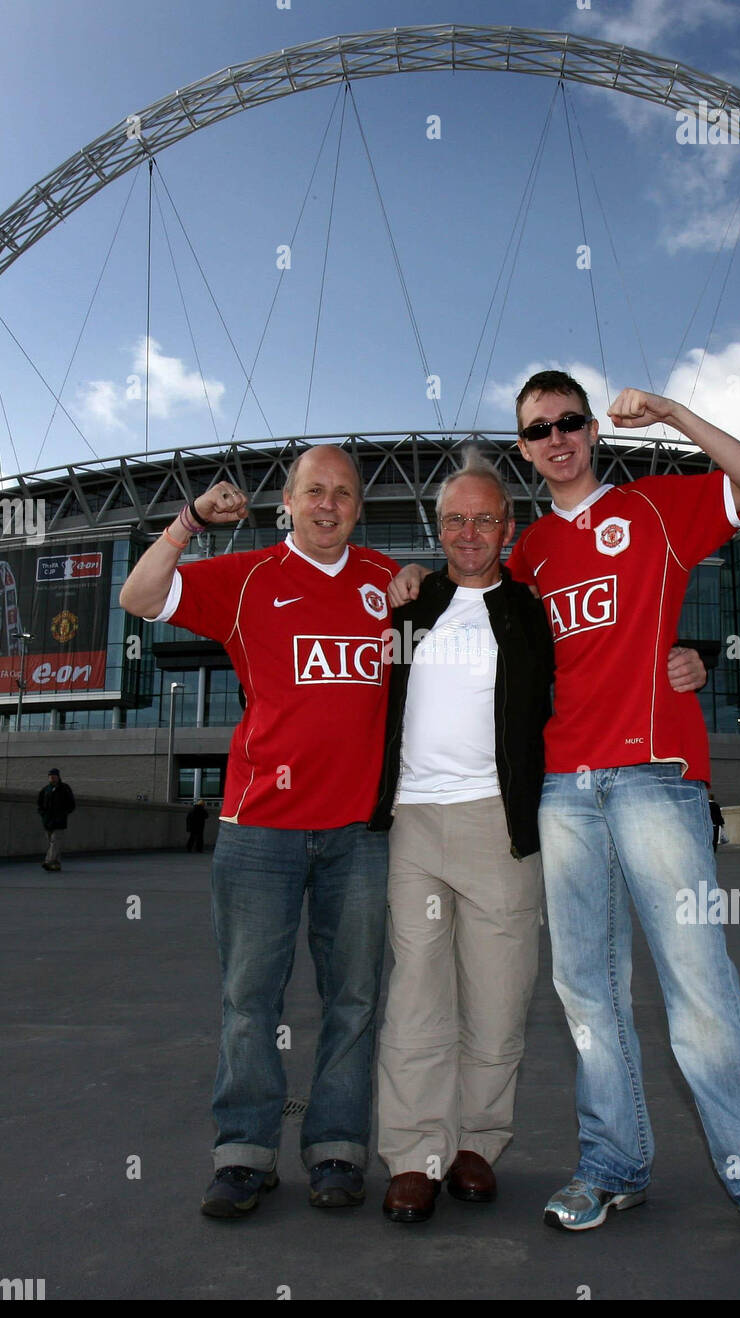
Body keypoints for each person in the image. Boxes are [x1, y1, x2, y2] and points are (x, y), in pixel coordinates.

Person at [507, 371, 740, 1248]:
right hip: (563, 790)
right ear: (526, 449)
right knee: (586, 992)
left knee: (699, 988)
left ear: (592, 432)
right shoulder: (528, 553)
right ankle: (613, 1167)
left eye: (571, 421)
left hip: (653, 778)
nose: (559, 437)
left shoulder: (653, 508)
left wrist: (675, 414)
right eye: (540, 429)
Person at [375, 454, 706, 1223]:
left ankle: (475, 1147)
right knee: (417, 998)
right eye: (454, 519)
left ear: (507, 529)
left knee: (497, 996)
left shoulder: (533, 609)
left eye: (484, 519)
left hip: (504, 824)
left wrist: (692, 656)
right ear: (439, 528)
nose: (468, 533)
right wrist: (400, 581)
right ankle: (417, 1154)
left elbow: (611, 650)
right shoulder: (411, 603)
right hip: (416, 823)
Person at [119, 447, 398, 1218]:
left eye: (344, 493)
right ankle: (243, 1153)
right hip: (259, 829)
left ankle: (338, 1148)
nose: (329, 504)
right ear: (288, 500)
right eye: (315, 490)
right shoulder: (246, 577)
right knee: (250, 1002)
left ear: (358, 507)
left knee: (355, 999)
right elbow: (140, 599)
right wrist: (188, 522)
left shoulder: (392, 584)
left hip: (360, 834)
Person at [36, 768, 74, 872]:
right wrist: (43, 814)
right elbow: (39, 804)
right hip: (48, 820)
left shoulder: (64, 788)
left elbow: (71, 803)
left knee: (55, 842)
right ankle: (56, 864)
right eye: (50, 776)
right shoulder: (45, 790)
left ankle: (48, 861)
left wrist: (64, 813)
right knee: (51, 843)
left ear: (58, 777)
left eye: (54, 776)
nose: (52, 778)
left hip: (59, 820)